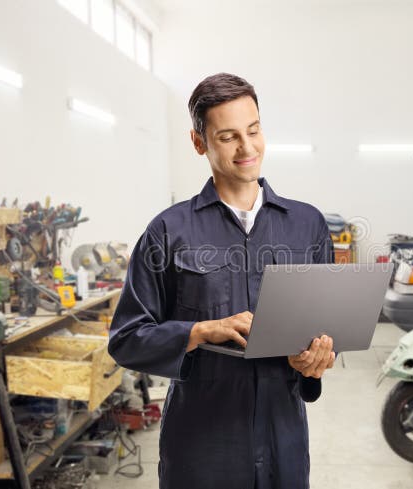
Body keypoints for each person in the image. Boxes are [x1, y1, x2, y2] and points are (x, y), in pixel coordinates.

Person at [108, 72, 335, 489]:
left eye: (253, 130)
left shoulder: (308, 226)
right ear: (199, 142)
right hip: (201, 447)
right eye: (229, 136)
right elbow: (126, 339)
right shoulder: (167, 232)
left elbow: (321, 335)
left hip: (283, 441)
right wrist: (198, 331)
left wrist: (314, 362)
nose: (247, 148)